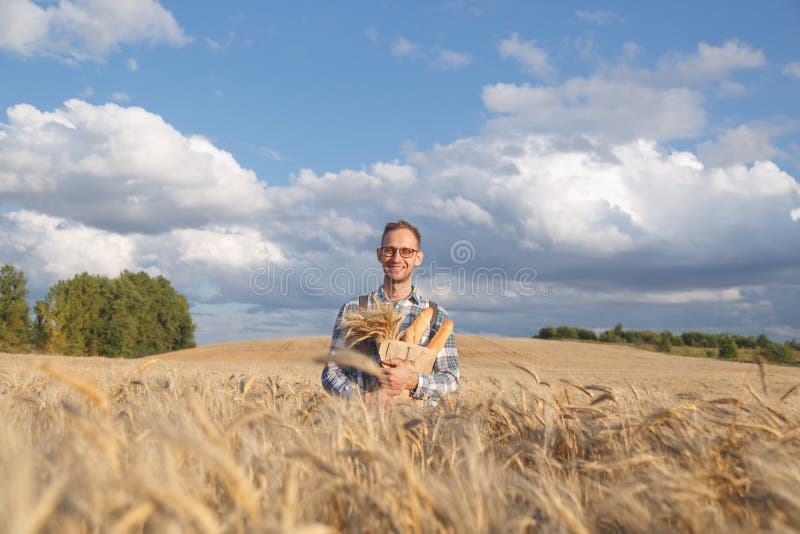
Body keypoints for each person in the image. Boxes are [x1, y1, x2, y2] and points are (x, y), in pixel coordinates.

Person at [321, 220, 459, 403]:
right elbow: (332, 371)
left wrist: (413, 381)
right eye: (389, 250)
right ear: (379, 255)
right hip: (363, 425)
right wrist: (364, 400)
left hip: (419, 427)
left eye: (406, 251)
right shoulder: (354, 309)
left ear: (418, 258)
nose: (396, 258)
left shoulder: (435, 315)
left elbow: (451, 380)